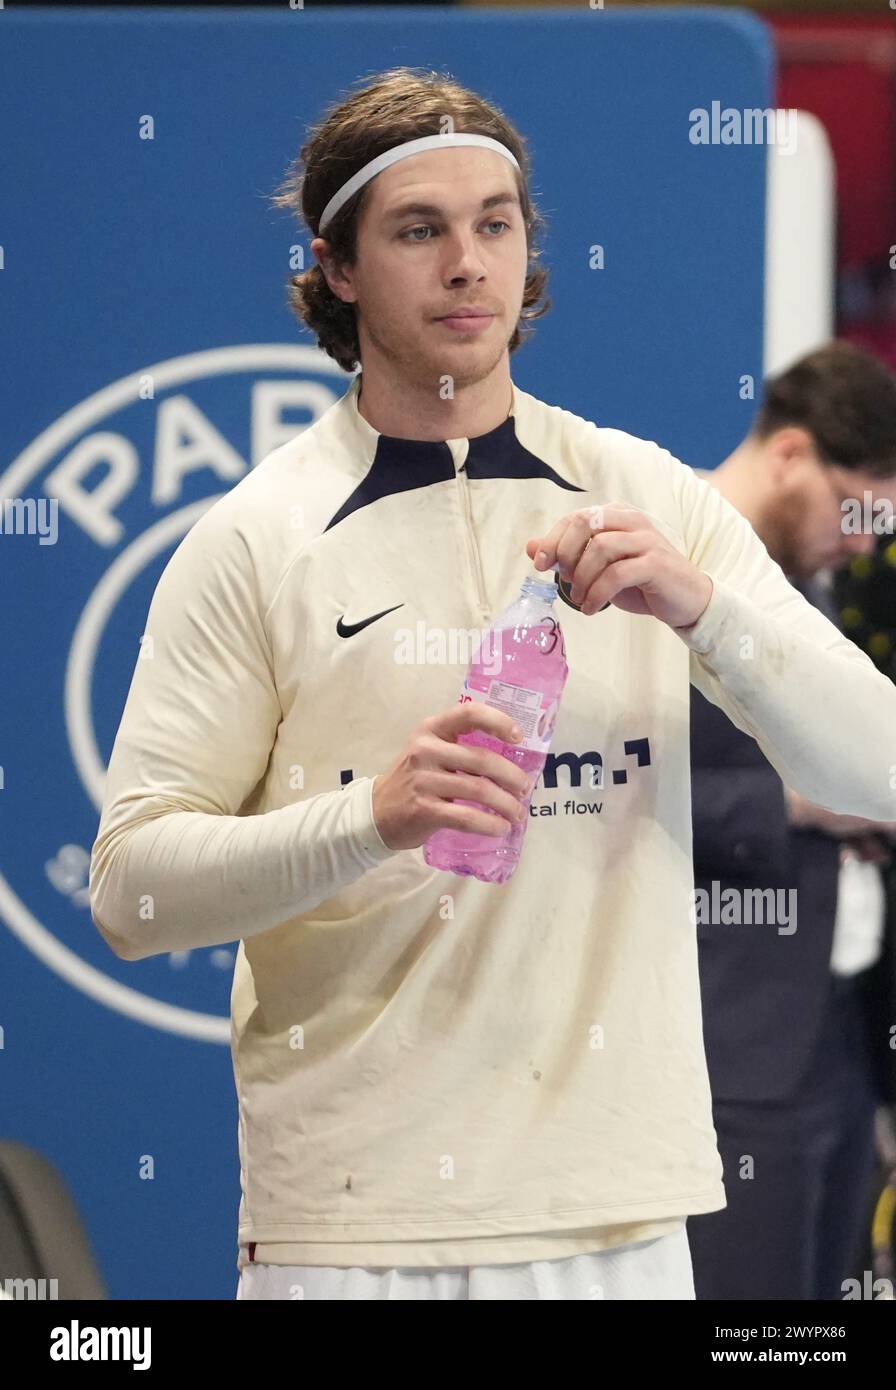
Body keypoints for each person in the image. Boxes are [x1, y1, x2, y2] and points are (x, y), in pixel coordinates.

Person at [88, 69, 896, 1301]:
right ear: (337, 266)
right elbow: (131, 898)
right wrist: (370, 816)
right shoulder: (255, 538)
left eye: (496, 222)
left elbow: (877, 771)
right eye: (420, 229)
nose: (469, 262)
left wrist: (703, 609)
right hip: (351, 1231)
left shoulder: (649, 497)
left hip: (616, 1221)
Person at [686, 342, 896, 1300]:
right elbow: (590, 793)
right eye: (854, 512)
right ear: (790, 456)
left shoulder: (812, 587)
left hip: (842, 1039)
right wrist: (796, 803)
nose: (862, 543)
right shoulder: (661, 575)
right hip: (728, 1047)